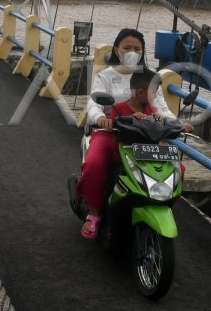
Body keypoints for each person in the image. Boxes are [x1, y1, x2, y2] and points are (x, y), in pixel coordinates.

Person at [75, 28, 193, 239]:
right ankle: (94, 214)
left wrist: (177, 123)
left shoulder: (149, 79)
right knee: (94, 165)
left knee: (177, 168)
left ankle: (159, 205)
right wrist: (101, 118)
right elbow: (94, 104)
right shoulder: (105, 76)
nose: (132, 51)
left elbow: (161, 108)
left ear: (142, 51)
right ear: (117, 50)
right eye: (127, 47)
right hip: (111, 131)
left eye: (137, 48)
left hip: (145, 134)